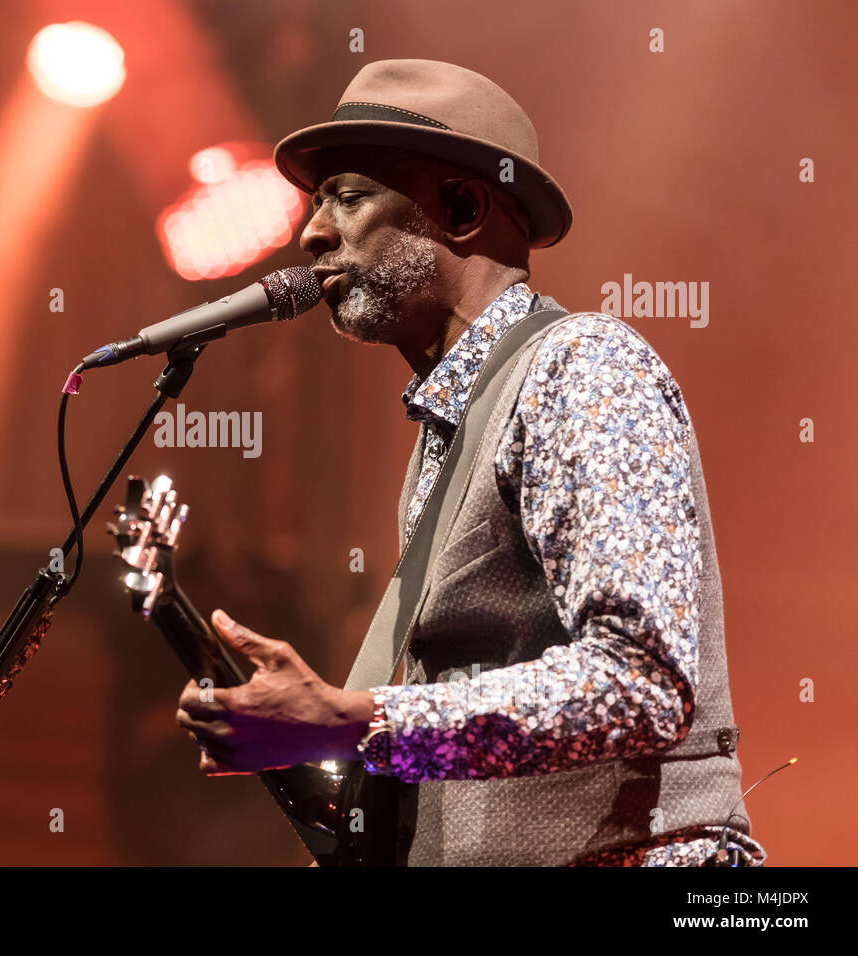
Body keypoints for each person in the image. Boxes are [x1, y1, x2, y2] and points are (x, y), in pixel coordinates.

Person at [175, 59, 766, 866]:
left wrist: (357, 721)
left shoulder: (582, 367)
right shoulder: (446, 432)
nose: (312, 233)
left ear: (459, 206)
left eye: (347, 198)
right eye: (318, 205)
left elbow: (642, 683)